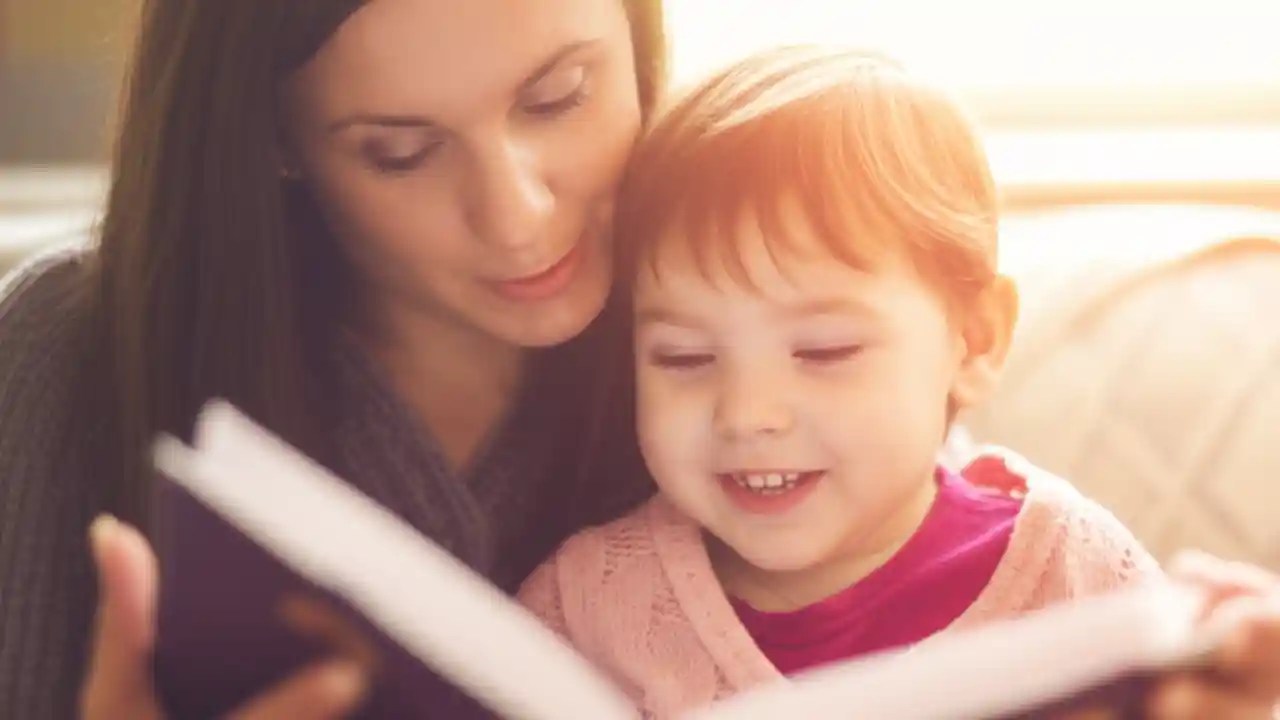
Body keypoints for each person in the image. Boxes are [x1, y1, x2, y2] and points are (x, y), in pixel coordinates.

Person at [517, 46, 1280, 719]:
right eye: (684, 358)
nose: (747, 414)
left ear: (973, 340)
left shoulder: (1074, 576)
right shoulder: (587, 608)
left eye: (823, 350)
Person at [0, 1, 663, 717]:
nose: (517, 217)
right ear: (276, 141)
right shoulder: (67, 354)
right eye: (400, 153)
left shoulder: (763, 330)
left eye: (557, 98)